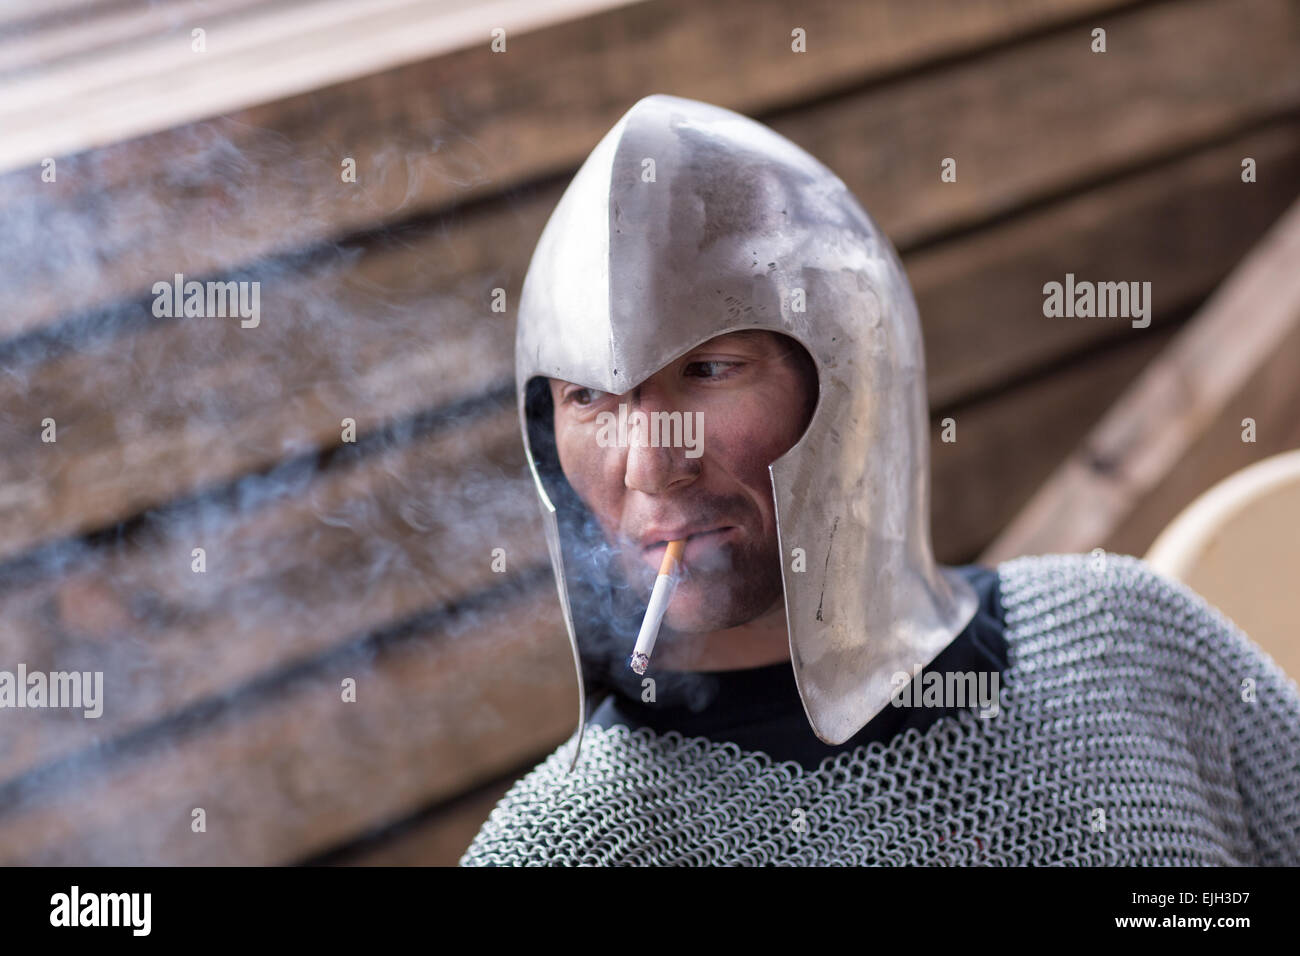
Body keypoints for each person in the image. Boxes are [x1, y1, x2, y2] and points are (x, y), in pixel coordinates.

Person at [460, 94, 1300, 865]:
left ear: (850, 374)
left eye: (710, 370)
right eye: (592, 400)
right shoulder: (566, 847)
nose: (649, 463)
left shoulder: (1128, 638)